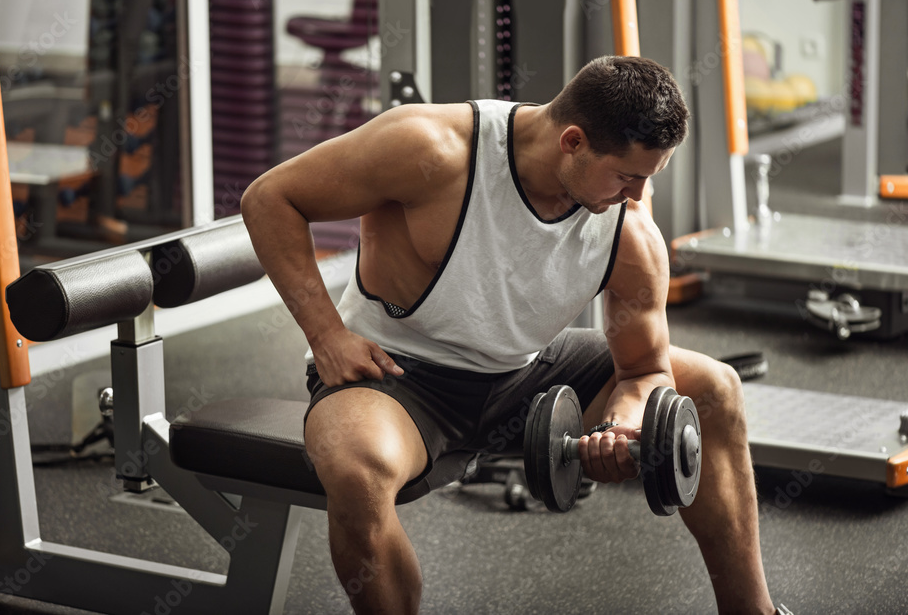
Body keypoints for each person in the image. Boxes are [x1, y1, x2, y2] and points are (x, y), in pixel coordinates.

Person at [241, 55, 778, 614]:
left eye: (649, 177)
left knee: (714, 388)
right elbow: (271, 198)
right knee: (358, 473)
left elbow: (645, 371)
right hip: (397, 376)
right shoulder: (431, 148)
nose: (638, 196)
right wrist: (327, 335)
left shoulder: (630, 235)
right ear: (573, 141)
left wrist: (620, 427)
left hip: (528, 374)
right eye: (626, 176)